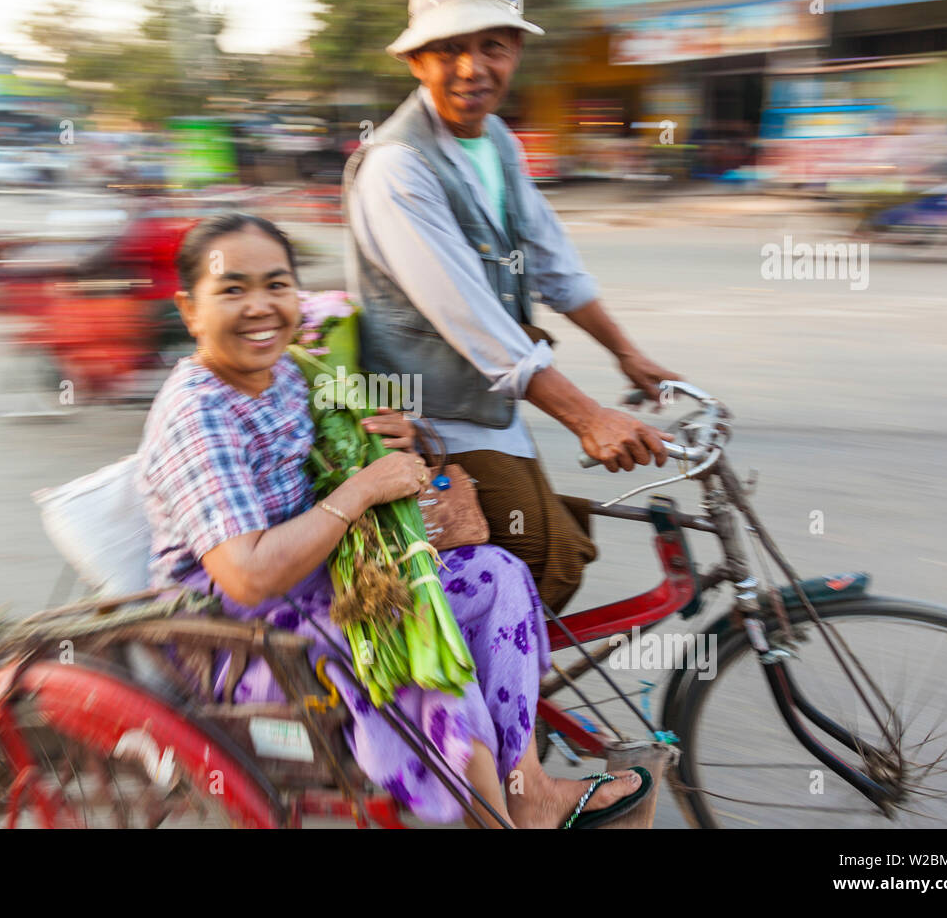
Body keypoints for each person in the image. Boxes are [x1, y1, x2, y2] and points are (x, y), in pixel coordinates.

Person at [134, 212, 649, 827]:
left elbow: (369, 452)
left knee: (499, 575)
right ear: (189, 309)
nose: (260, 306)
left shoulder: (293, 376)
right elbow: (246, 575)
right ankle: (493, 819)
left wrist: (402, 438)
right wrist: (360, 490)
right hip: (233, 631)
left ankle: (525, 785)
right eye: (233, 289)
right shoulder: (198, 413)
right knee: (410, 629)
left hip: (318, 581)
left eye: (276, 285)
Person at [345, 0, 684, 612]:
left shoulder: (498, 141)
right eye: (449, 49)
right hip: (427, 416)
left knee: (558, 551)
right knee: (539, 558)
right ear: (416, 60)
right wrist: (588, 417)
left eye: (491, 46)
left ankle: (511, 689)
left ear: (516, 52)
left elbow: (553, 263)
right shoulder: (396, 165)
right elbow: (472, 319)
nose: (472, 68)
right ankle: (465, 709)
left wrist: (627, 353)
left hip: (493, 407)